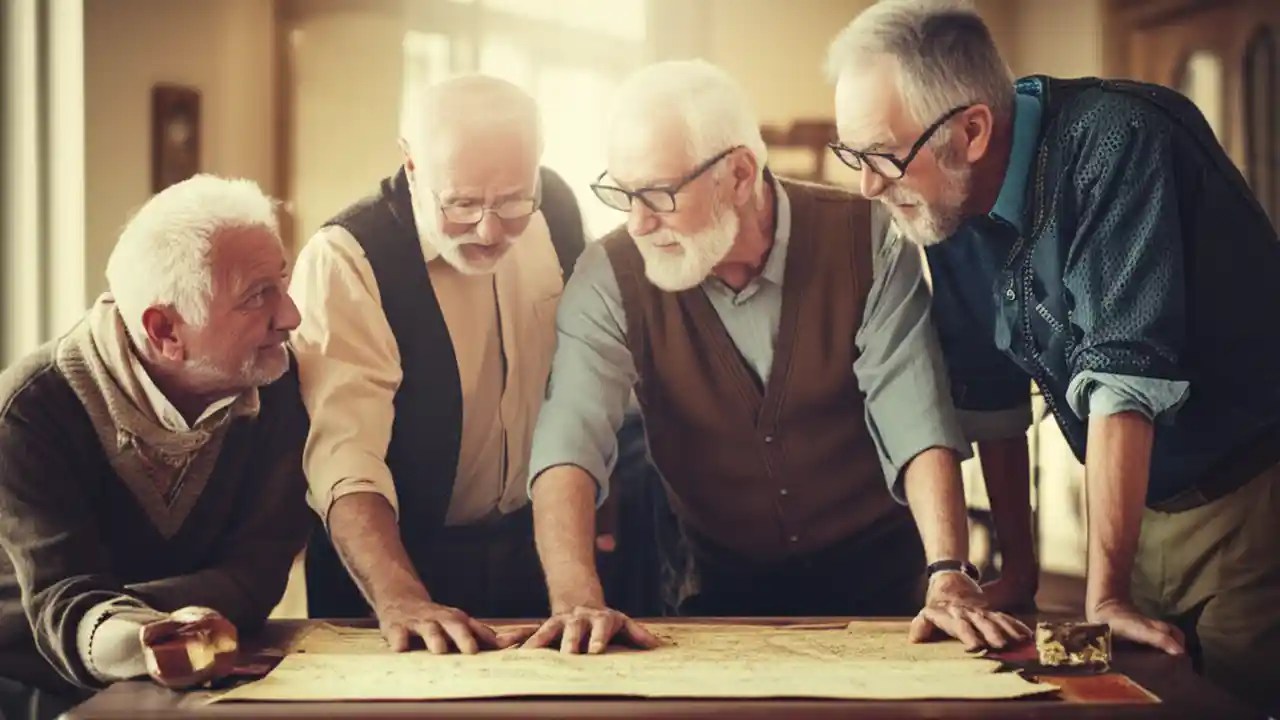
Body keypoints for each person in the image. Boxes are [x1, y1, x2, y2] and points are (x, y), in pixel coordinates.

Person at [826, 0, 1280, 713]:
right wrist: (1019, 569)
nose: (867, 184)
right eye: (851, 154)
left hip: (1250, 505)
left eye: (883, 154)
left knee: (1223, 702)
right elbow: (993, 394)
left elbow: (1124, 379)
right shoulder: (947, 201)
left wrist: (1103, 593)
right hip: (1141, 507)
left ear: (972, 131)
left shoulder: (1118, 140)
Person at [523, 59, 1030, 655]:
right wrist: (575, 593)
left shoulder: (866, 237)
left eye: (658, 194)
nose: (637, 222)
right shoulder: (608, 274)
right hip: (711, 589)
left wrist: (948, 572)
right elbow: (569, 443)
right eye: (622, 193)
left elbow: (915, 416)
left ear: (739, 174)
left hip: (881, 581)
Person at [290, 74, 585, 655]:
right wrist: (400, 596)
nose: (491, 229)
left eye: (511, 199)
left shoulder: (557, 209)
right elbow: (344, 456)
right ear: (412, 163)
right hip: (396, 571)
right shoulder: (347, 257)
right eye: (463, 203)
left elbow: (582, 381)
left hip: (530, 560)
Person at [0, 175, 311, 717]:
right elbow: (65, 599)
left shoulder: (275, 382)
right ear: (164, 329)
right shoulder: (30, 409)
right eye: (258, 296)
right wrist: (148, 637)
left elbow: (257, 574)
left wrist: (156, 629)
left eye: (282, 284)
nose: (290, 317)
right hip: (33, 689)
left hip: (192, 677)